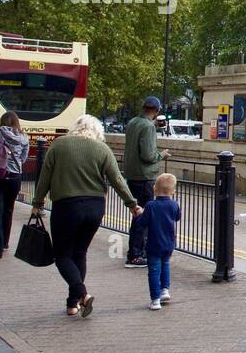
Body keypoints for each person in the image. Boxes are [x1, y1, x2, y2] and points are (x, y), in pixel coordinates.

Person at [30, 114, 142, 317]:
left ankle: (82, 294)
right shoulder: (102, 149)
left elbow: (45, 176)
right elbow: (117, 179)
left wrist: (37, 204)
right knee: (79, 253)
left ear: (75, 127)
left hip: (66, 206)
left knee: (62, 255)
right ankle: (73, 304)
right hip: (94, 208)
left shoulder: (59, 145)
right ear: (97, 130)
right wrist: (132, 205)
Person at [122, 96, 170, 268]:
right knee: (144, 217)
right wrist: (162, 155)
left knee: (137, 213)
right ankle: (135, 255)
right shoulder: (148, 126)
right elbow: (148, 155)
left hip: (132, 175)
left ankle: (135, 252)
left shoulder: (133, 122)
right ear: (157, 111)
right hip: (145, 177)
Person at [0, 111, 30, 258]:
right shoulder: (23, 137)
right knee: (8, 210)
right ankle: (5, 242)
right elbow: (23, 158)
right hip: (14, 177)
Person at [143, 172, 180, 311]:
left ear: (154, 189)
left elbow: (142, 223)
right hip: (169, 244)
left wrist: (139, 214)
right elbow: (177, 217)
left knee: (153, 271)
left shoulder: (151, 206)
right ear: (173, 192)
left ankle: (155, 300)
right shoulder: (174, 205)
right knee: (165, 265)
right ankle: (165, 290)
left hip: (154, 244)